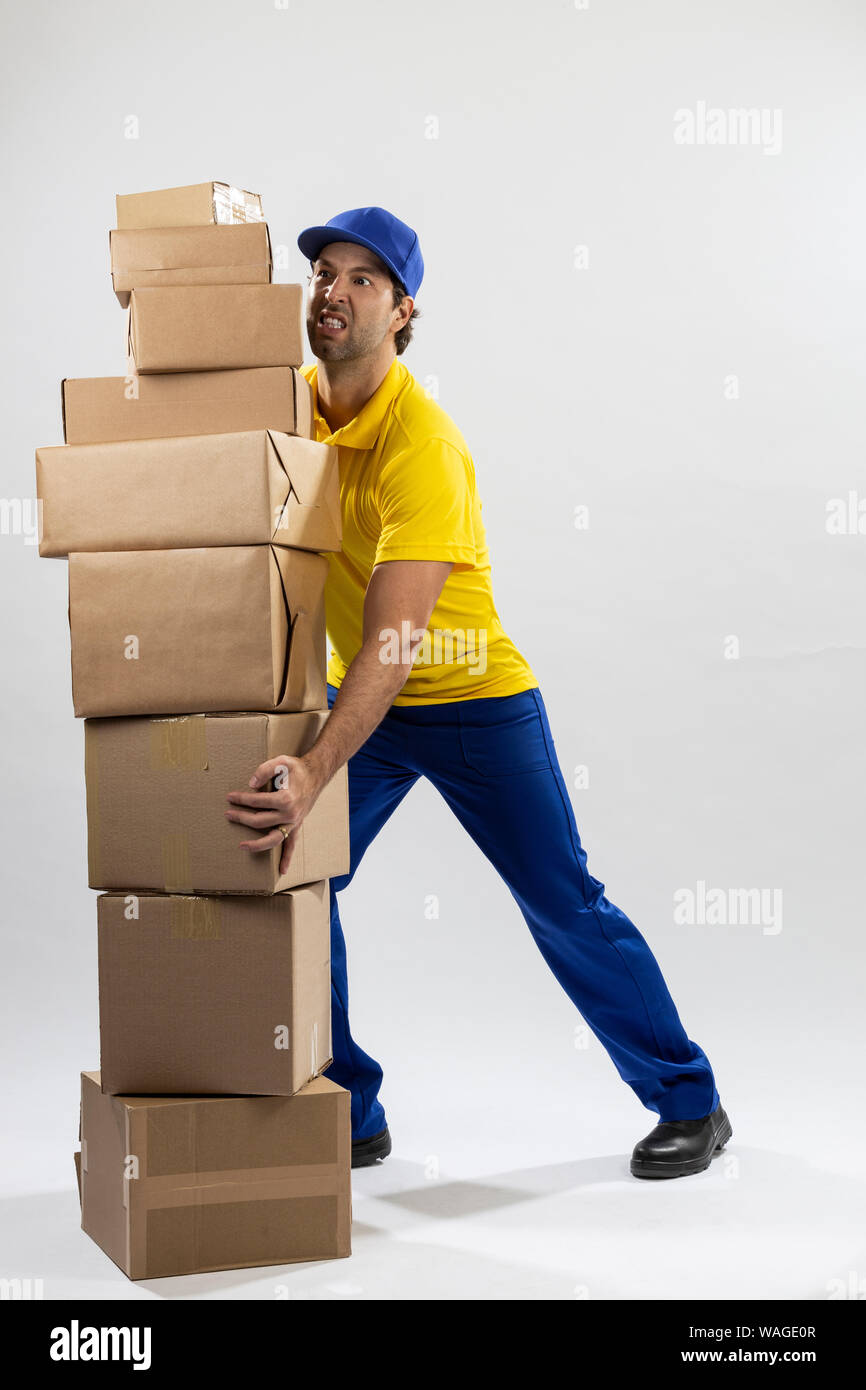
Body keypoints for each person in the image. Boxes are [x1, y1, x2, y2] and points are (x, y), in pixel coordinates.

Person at [225, 206, 732, 1180]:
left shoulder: (424, 445)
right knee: (298, 876)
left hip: (468, 701)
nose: (332, 291)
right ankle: (350, 1106)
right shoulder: (293, 407)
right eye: (323, 273)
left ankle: (688, 1099)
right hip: (360, 702)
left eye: (360, 279)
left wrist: (317, 763)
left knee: (561, 902)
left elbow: (399, 637)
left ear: (403, 309)